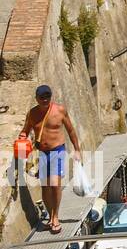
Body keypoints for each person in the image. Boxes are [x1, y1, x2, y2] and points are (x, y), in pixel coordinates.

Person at [18, 86, 81, 234]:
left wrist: (77, 150)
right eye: (42, 97)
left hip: (57, 150)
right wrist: (22, 140)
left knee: (54, 184)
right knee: (45, 187)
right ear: (36, 98)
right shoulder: (32, 114)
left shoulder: (59, 110)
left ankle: (55, 217)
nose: (45, 99)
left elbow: (71, 130)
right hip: (42, 153)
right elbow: (25, 131)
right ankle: (51, 216)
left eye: (48, 96)